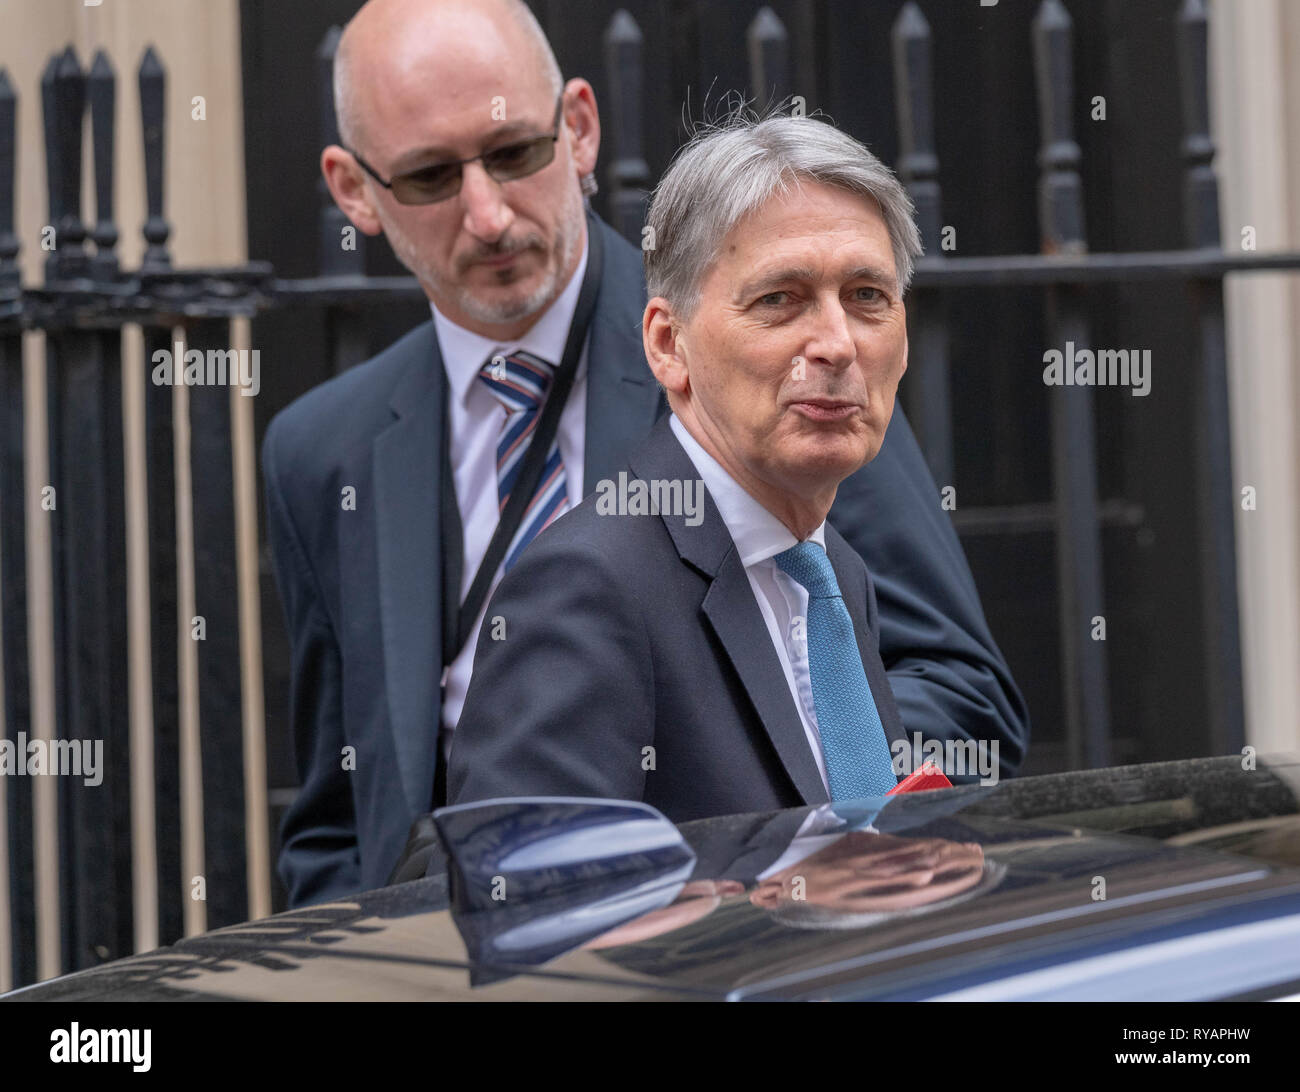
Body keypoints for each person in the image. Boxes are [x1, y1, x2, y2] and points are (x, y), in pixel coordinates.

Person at [264, 0, 1029, 908]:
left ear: (579, 130)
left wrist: (819, 838)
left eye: (514, 155)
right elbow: (337, 816)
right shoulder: (319, 451)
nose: (489, 214)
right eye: (430, 176)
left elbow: (952, 678)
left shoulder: (785, 355)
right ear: (355, 191)